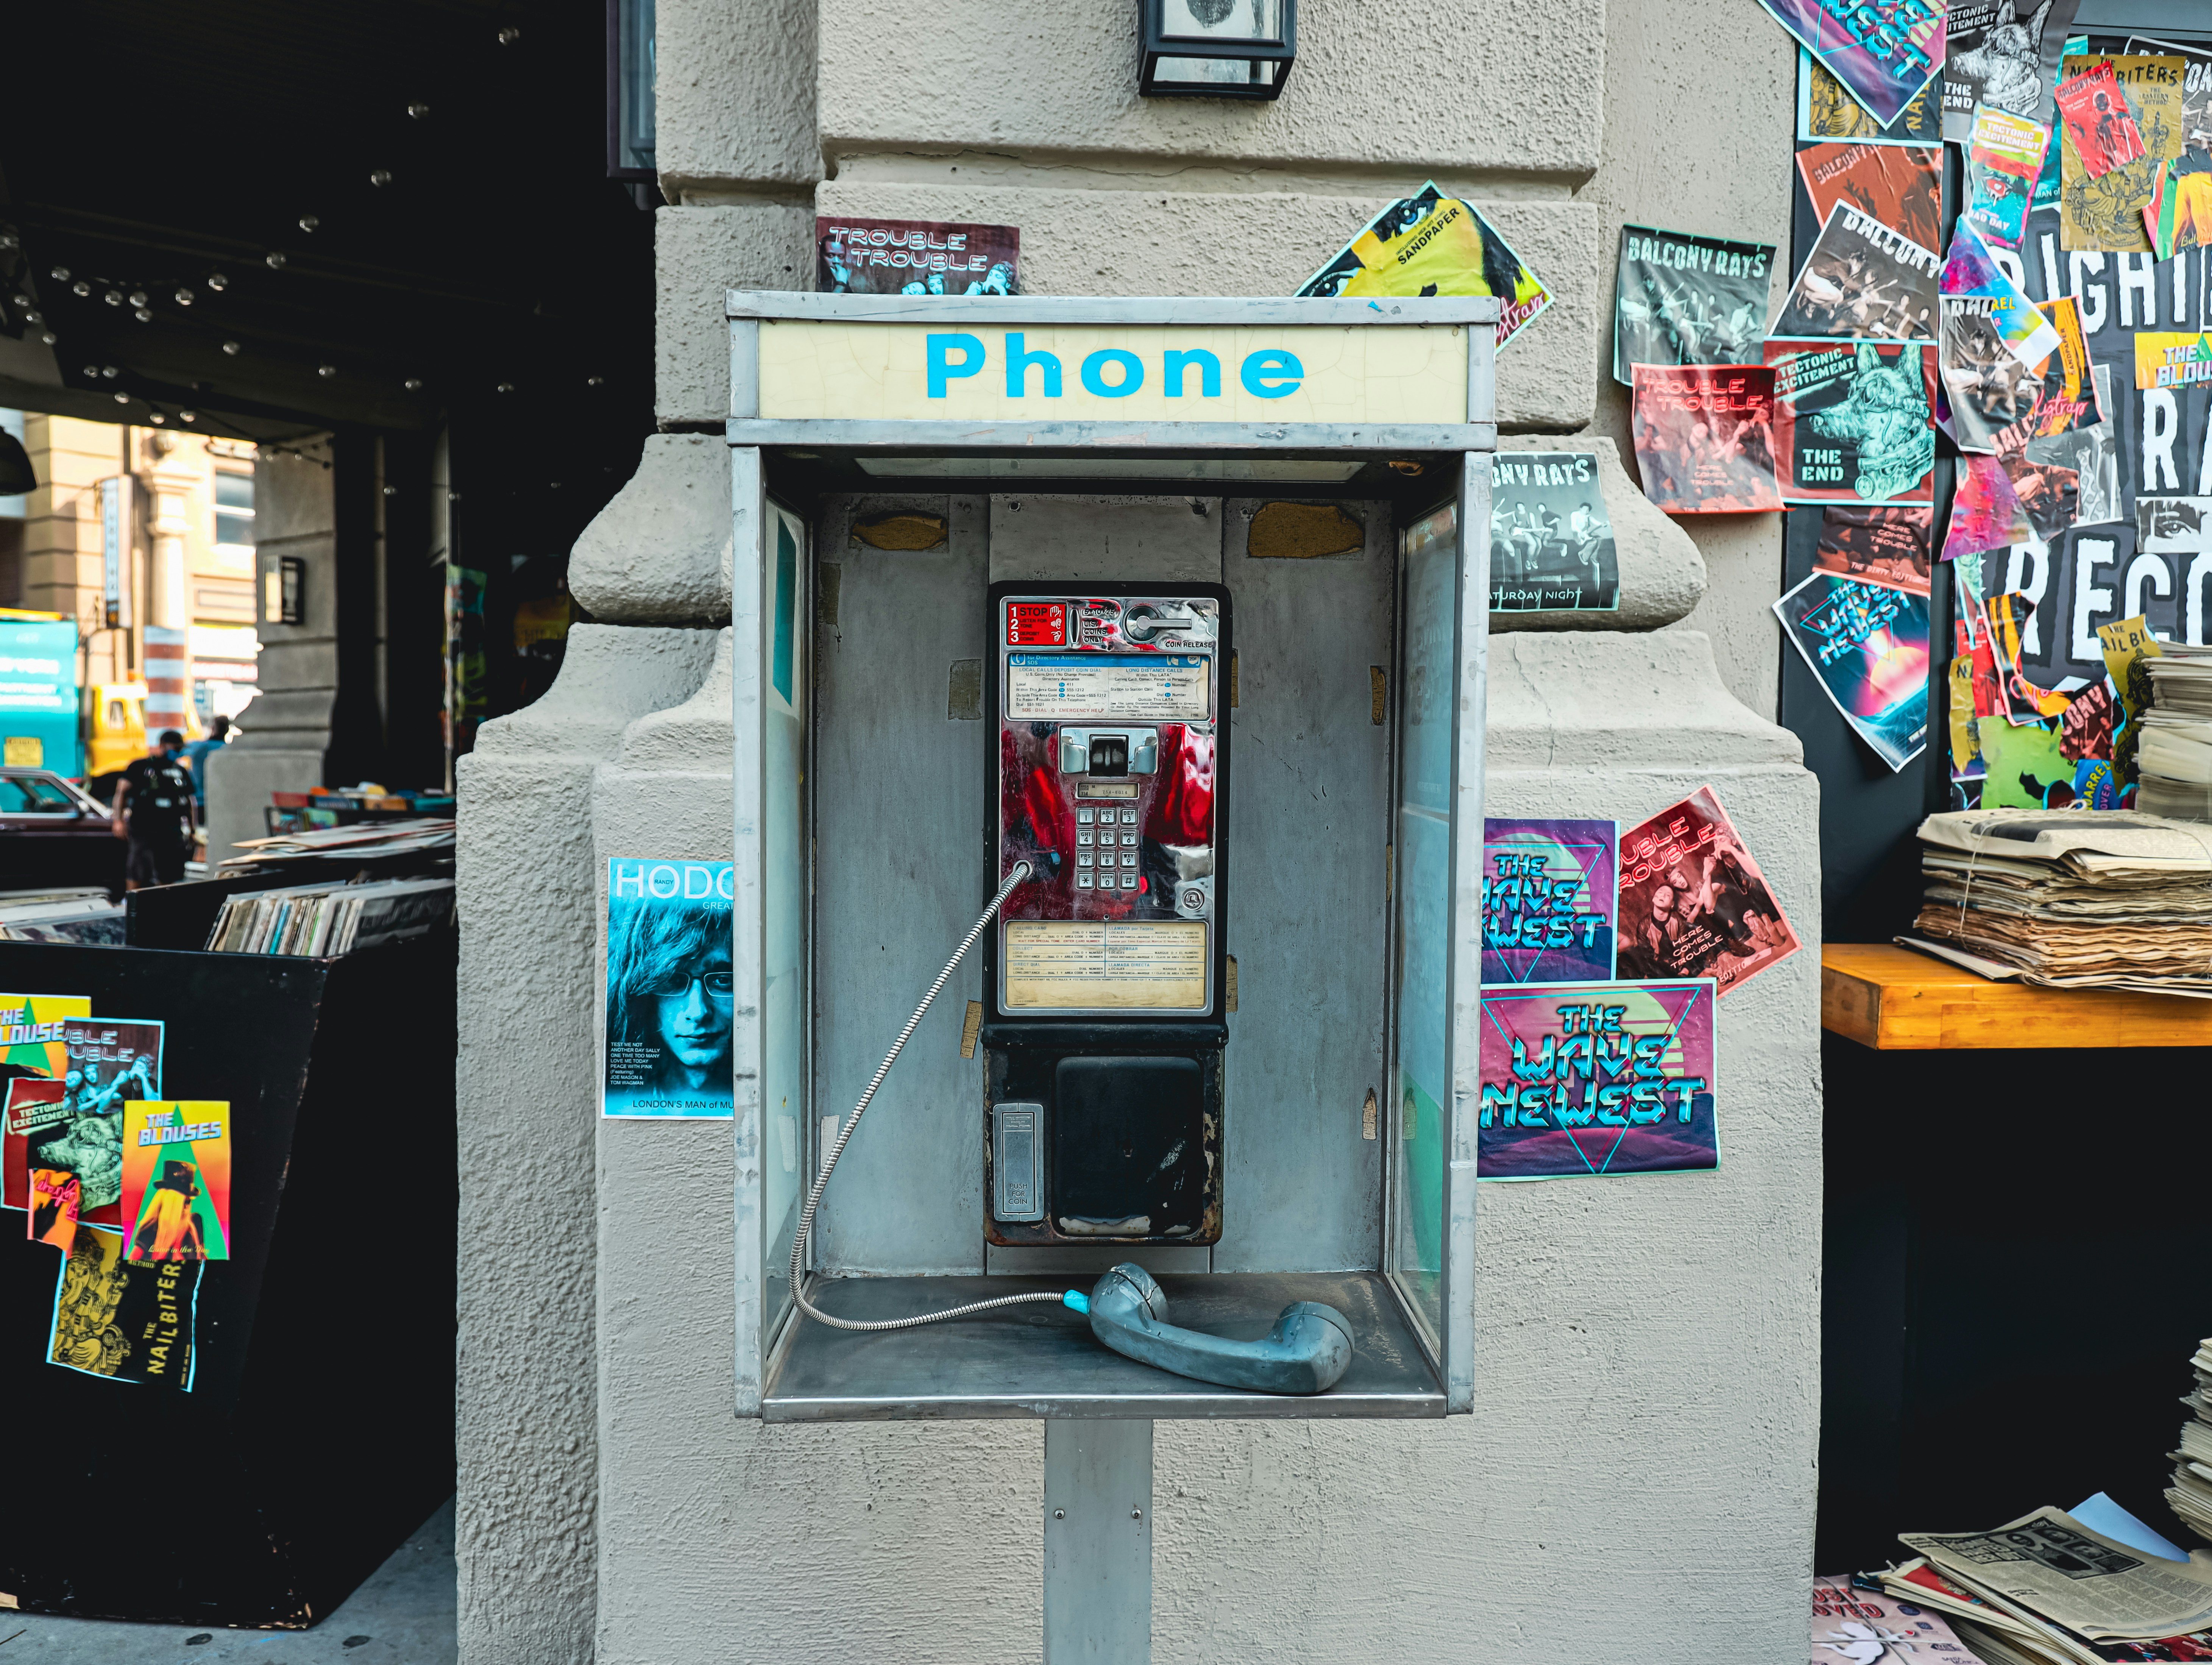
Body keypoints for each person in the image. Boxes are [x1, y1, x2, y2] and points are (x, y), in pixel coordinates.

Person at [604, 895, 735, 1111]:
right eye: (673, 981)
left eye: (722, 980)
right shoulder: (620, 1102)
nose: (699, 1012)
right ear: (643, 995)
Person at [111, 730, 197, 891]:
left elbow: (190, 802)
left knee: (168, 872)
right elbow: (121, 791)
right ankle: (132, 904)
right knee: (138, 868)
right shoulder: (141, 767)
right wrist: (118, 821)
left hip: (171, 830)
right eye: (175, 748)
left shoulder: (181, 771)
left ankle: (162, 905)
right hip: (143, 828)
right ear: (162, 746)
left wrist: (192, 830)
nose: (178, 752)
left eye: (180, 748)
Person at [183, 714, 230, 809]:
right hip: (221, 799)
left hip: (199, 800)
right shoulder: (228, 749)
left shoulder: (199, 747)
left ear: (213, 728)